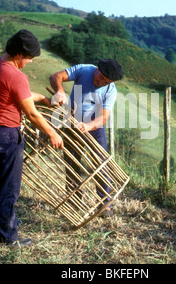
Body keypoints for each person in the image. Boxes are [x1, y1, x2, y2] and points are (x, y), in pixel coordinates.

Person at [0, 29, 63, 247]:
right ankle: (7, 240)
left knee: (1, 186)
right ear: (19, 54)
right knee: (9, 190)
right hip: (6, 135)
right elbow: (31, 114)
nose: (29, 62)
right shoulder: (16, 75)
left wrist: (45, 98)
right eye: (29, 58)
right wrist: (52, 132)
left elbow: (20, 96)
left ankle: (2, 231)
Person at [49, 59, 123, 217]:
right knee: (72, 162)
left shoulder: (111, 90)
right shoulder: (84, 70)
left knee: (101, 163)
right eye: (101, 77)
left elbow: (103, 118)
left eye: (106, 82)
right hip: (71, 122)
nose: (101, 82)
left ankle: (104, 203)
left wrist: (88, 126)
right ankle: (74, 199)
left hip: (94, 128)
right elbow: (55, 76)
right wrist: (60, 90)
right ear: (97, 69)